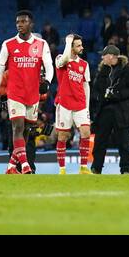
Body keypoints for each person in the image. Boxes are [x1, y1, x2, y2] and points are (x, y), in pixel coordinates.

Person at [0, 11, 53, 174]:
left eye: (23, 22)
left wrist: (47, 82)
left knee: (27, 131)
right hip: (15, 93)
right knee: (17, 127)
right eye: (18, 22)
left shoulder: (41, 44)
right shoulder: (8, 44)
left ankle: (11, 166)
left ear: (31, 24)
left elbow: (49, 66)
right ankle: (25, 167)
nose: (19, 24)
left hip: (33, 95)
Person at [91, 45, 129, 174]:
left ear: (111, 56)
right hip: (105, 110)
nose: (102, 57)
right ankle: (96, 168)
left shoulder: (127, 70)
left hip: (121, 110)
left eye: (104, 55)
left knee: (124, 143)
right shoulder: (102, 71)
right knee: (100, 141)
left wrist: (117, 94)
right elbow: (95, 90)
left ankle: (126, 169)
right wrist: (99, 97)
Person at [53, 34, 93, 175]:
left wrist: (87, 106)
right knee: (63, 136)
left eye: (81, 45)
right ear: (71, 47)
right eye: (78, 45)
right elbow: (63, 60)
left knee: (86, 133)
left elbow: (86, 86)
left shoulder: (84, 64)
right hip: (64, 104)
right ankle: (62, 169)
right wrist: (68, 41)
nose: (81, 47)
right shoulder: (60, 59)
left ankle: (83, 167)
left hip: (81, 104)